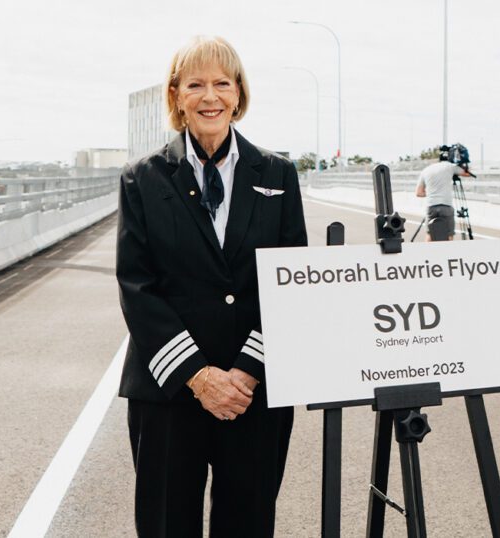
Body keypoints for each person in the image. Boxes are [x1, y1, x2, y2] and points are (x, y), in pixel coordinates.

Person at [116, 35, 307, 538]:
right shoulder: (143, 178)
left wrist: (245, 372)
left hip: (255, 391)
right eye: (195, 84)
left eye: (222, 83)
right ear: (176, 95)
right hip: (172, 390)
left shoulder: (280, 174)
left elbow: (291, 281)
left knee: (248, 524)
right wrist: (200, 378)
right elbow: (137, 287)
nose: (210, 96)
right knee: (166, 525)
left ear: (239, 93)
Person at [415, 146, 471, 241]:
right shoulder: (450, 166)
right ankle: (446, 254)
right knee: (448, 234)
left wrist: (432, 194)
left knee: (430, 233)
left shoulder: (426, 170)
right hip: (446, 206)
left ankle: (426, 254)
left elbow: (418, 193)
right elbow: (467, 173)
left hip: (431, 206)